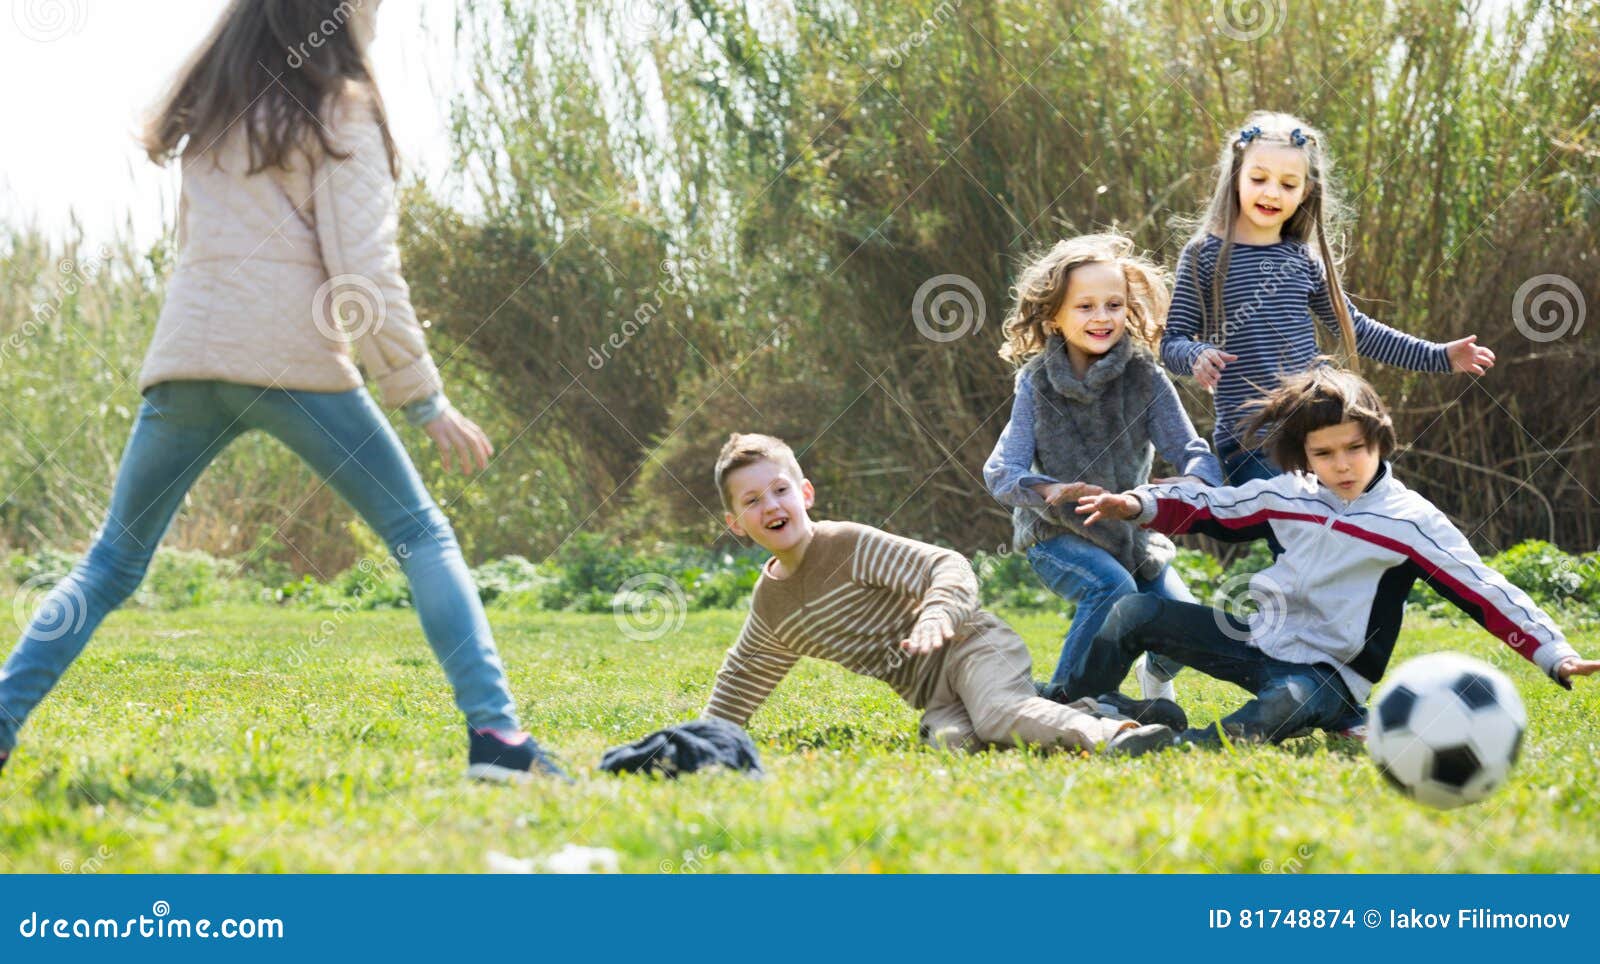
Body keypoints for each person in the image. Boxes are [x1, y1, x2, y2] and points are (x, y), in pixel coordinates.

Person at [0, 0, 562, 783]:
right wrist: (424, 396)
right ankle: (500, 745)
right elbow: (363, 272)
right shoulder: (341, 109)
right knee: (421, 536)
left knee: (110, 563)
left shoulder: (214, 114)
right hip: (294, 366)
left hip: (187, 365)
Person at [1065, 367, 1596, 746]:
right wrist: (1138, 503)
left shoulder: (1410, 521)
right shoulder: (1286, 493)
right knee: (1133, 611)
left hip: (1328, 677)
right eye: (1324, 453)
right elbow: (1214, 509)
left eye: (1355, 448)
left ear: (1380, 441)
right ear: (1303, 454)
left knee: (1283, 706)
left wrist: (1553, 650)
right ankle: (1080, 709)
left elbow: (1480, 588)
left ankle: (1177, 743)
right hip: (1256, 640)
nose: (1342, 464)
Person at [701, 433, 1180, 758]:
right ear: (735, 524)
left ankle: (1113, 736)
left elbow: (947, 565)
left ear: (804, 493)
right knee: (953, 742)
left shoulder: (845, 544)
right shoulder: (773, 606)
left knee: (998, 716)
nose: (771, 506)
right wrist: (699, 740)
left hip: (972, 645)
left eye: (780, 490)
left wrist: (937, 615)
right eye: (752, 501)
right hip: (933, 692)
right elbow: (742, 676)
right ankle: (1097, 711)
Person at [1161, 110, 1496, 485]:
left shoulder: (1301, 258)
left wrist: (1439, 355)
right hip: (1251, 440)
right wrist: (1195, 354)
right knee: (1297, 531)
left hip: (1319, 427)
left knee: (1367, 506)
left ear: (1306, 191)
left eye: (1288, 185)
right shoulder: (1205, 254)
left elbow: (1358, 330)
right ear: (1235, 177)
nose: (1272, 192)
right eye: (1258, 178)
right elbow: (1172, 342)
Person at [983, 234, 1221, 707]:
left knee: (1190, 621)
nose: (1102, 317)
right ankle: (1066, 702)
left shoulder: (1145, 377)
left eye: (1113, 305)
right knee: (1112, 586)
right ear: (1055, 316)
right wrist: (1048, 489)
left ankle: (1154, 674)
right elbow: (1001, 472)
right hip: (1055, 536)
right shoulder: (1035, 383)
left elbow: (1192, 450)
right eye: (1085, 306)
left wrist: (1197, 480)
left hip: (1132, 537)